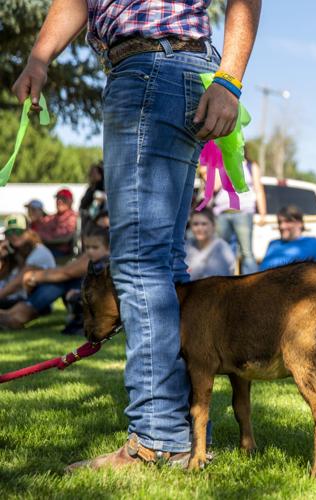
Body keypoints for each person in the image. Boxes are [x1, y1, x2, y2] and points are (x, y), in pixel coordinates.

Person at [13, 0, 262, 469]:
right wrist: (39, 59)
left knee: (139, 264)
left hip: (153, 69)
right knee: (163, 263)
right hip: (169, 69)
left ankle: (158, 438)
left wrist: (230, 80)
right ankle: (184, 426)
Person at [0, 225, 110, 332]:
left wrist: (34, 276)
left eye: (94, 247)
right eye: (87, 247)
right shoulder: (13, 252)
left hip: (100, 303)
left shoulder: (104, 261)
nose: (89, 251)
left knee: (60, 281)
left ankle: (19, 314)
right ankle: (17, 313)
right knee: (60, 280)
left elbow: (67, 273)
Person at [213, 152, 267, 274]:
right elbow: (215, 187)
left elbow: (259, 190)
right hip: (222, 213)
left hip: (244, 212)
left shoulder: (251, 165)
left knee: (246, 252)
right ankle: (223, 283)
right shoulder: (220, 164)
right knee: (222, 251)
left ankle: (251, 285)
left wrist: (263, 213)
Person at [0, 214, 56, 313]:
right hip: (15, 299)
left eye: (18, 231)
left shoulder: (39, 251)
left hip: (36, 303)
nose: (13, 235)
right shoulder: (14, 252)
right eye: (9, 232)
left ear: (28, 232)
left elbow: (18, 283)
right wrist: (1, 257)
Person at [259, 205, 316, 271]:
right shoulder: (273, 244)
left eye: (287, 221)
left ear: (300, 223)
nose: (282, 226)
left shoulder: (315, 244)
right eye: (279, 222)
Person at [186, 210, 236, 280]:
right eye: (195, 224)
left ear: (213, 225)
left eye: (204, 224)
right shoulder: (186, 246)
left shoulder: (221, 248)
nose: (200, 228)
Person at [34, 188, 78, 258]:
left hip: (60, 252)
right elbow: (39, 226)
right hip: (47, 248)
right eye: (58, 199)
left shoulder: (72, 217)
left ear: (71, 201)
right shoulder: (53, 217)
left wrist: (43, 236)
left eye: (63, 199)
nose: (59, 201)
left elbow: (64, 236)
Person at [78, 162, 105, 232]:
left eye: (94, 173)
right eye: (91, 173)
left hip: (97, 224)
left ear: (100, 174)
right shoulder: (90, 189)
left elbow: (94, 210)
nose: (91, 175)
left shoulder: (102, 189)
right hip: (86, 222)